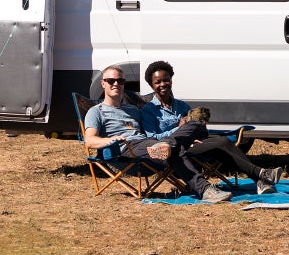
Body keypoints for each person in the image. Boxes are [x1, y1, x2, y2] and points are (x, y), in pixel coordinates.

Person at [83, 65, 233, 203]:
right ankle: (206, 190)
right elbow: (89, 141)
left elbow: (152, 132)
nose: (116, 84)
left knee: (195, 123)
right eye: (111, 80)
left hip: (148, 145)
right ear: (103, 83)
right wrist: (111, 140)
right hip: (125, 150)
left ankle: (172, 147)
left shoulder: (133, 110)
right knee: (173, 147)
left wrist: (186, 136)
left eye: (120, 81)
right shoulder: (96, 111)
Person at [142, 60, 284, 195]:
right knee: (220, 143)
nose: (163, 84)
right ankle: (261, 176)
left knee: (223, 142)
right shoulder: (148, 110)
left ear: (171, 80)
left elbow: (199, 129)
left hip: (192, 146)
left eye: (166, 79)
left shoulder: (182, 105)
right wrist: (179, 130)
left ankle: (260, 178)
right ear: (151, 85)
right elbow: (152, 139)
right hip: (172, 152)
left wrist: (194, 137)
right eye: (158, 82)